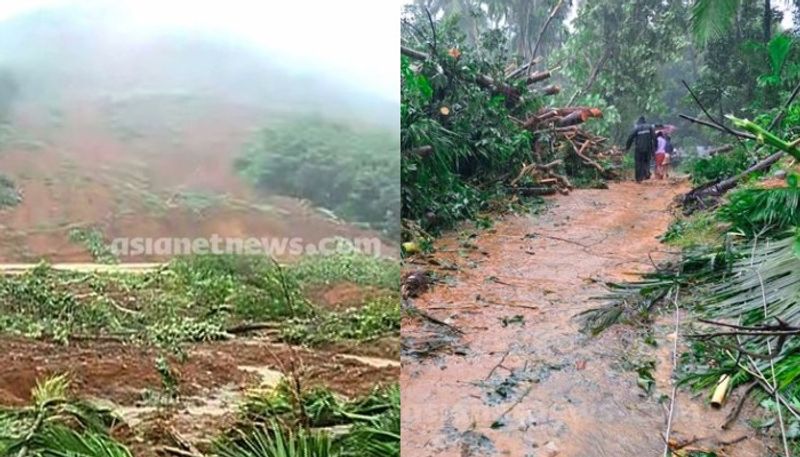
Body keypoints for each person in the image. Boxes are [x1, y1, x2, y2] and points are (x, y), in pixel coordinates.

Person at [625, 116, 656, 182]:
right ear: (645, 121)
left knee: (638, 163)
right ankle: (646, 173)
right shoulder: (650, 127)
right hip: (648, 148)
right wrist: (655, 148)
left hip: (639, 149)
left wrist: (627, 147)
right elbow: (654, 138)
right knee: (646, 162)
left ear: (639, 122)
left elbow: (630, 137)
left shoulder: (637, 128)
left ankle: (639, 179)